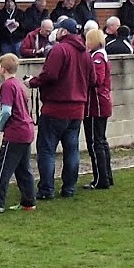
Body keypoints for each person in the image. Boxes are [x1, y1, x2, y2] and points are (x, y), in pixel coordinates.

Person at [28, 17, 92, 200]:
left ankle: (47, 189)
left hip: (56, 108)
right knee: (71, 149)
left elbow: (50, 75)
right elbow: (92, 80)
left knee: (47, 149)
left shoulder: (59, 49)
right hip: (77, 108)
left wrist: (32, 82)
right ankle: (69, 188)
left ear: (63, 32)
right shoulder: (85, 53)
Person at [0, 54, 38, 213]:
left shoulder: (7, 86)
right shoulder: (18, 85)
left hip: (15, 132)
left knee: (2, 169)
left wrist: (1, 126)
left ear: (2, 69)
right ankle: (28, 201)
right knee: (23, 169)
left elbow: (6, 111)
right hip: (27, 130)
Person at [83, 27, 114, 190]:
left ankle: (101, 178)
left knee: (96, 143)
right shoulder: (100, 55)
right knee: (101, 141)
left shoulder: (98, 57)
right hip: (100, 103)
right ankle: (106, 176)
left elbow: (97, 80)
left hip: (96, 105)